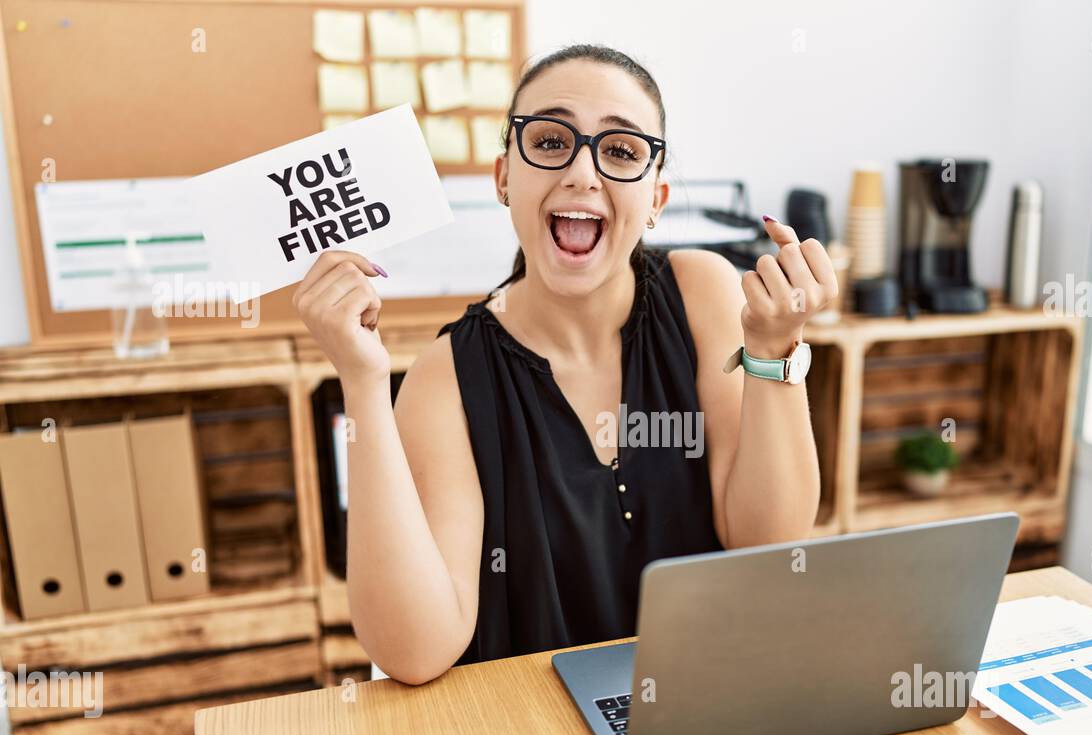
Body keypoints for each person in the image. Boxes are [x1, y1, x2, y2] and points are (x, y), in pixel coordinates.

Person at [293, 44, 837, 683]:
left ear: (656, 197)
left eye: (621, 151)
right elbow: (414, 652)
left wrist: (775, 350)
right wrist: (361, 383)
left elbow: (768, 543)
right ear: (504, 177)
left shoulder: (704, 294)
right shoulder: (447, 377)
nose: (582, 172)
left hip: (705, 706)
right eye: (550, 141)